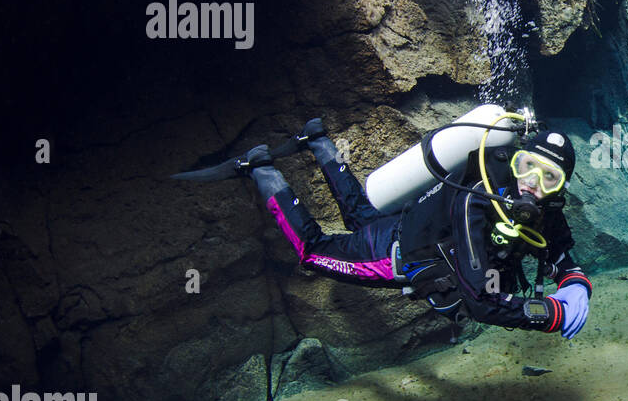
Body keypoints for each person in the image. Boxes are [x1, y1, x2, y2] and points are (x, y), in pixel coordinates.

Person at [183, 118, 591, 338]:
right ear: (515, 161)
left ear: (560, 189)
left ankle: (317, 138)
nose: (530, 184)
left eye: (547, 178)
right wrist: (552, 313)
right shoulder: (477, 200)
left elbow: (561, 254)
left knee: (361, 214)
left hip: (407, 224)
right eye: (526, 168)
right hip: (391, 254)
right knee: (312, 250)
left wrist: (577, 283)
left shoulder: (545, 210)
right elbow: (483, 303)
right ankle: (262, 169)